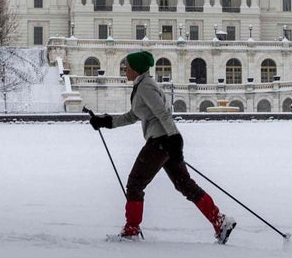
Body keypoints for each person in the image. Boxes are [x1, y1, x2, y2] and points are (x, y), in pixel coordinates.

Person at [89, 50, 236, 244]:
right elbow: (133, 116)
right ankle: (220, 221)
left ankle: (131, 230)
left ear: (136, 69)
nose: (124, 70)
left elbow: (162, 113)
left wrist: (174, 137)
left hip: (160, 141)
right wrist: (106, 121)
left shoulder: (145, 87)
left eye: (127, 67)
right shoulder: (143, 85)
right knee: (184, 184)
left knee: (135, 183)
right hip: (165, 140)